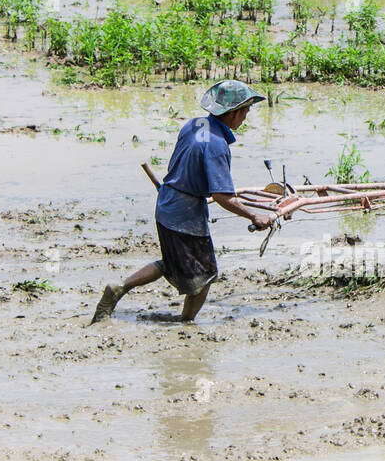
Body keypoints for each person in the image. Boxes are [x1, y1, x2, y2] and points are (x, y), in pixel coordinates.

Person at [89, 80, 273, 324]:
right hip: (185, 216)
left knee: (172, 262)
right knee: (206, 275)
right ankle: (185, 322)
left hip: (166, 202)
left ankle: (119, 289)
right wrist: (254, 216)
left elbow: (191, 165)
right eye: (246, 112)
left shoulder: (195, 124)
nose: (245, 118)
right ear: (234, 112)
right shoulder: (217, 146)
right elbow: (221, 197)